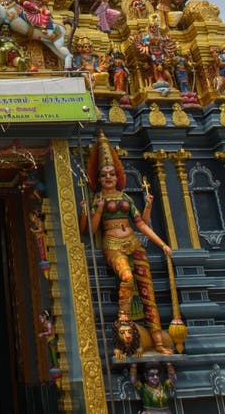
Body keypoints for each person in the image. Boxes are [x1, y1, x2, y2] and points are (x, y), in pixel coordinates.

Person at [84, 131, 173, 355]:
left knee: (147, 290)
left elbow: (141, 224)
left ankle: (158, 340)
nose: (108, 178)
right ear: (98, 178)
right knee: (127, 277)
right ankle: (124, 320)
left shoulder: (125, 198)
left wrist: (162, 243)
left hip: (134, 242)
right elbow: (91, 230)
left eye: (112, 174)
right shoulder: (99, 200)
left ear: (118, 177)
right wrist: (94, 210)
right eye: (104, 175)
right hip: (113, 244)